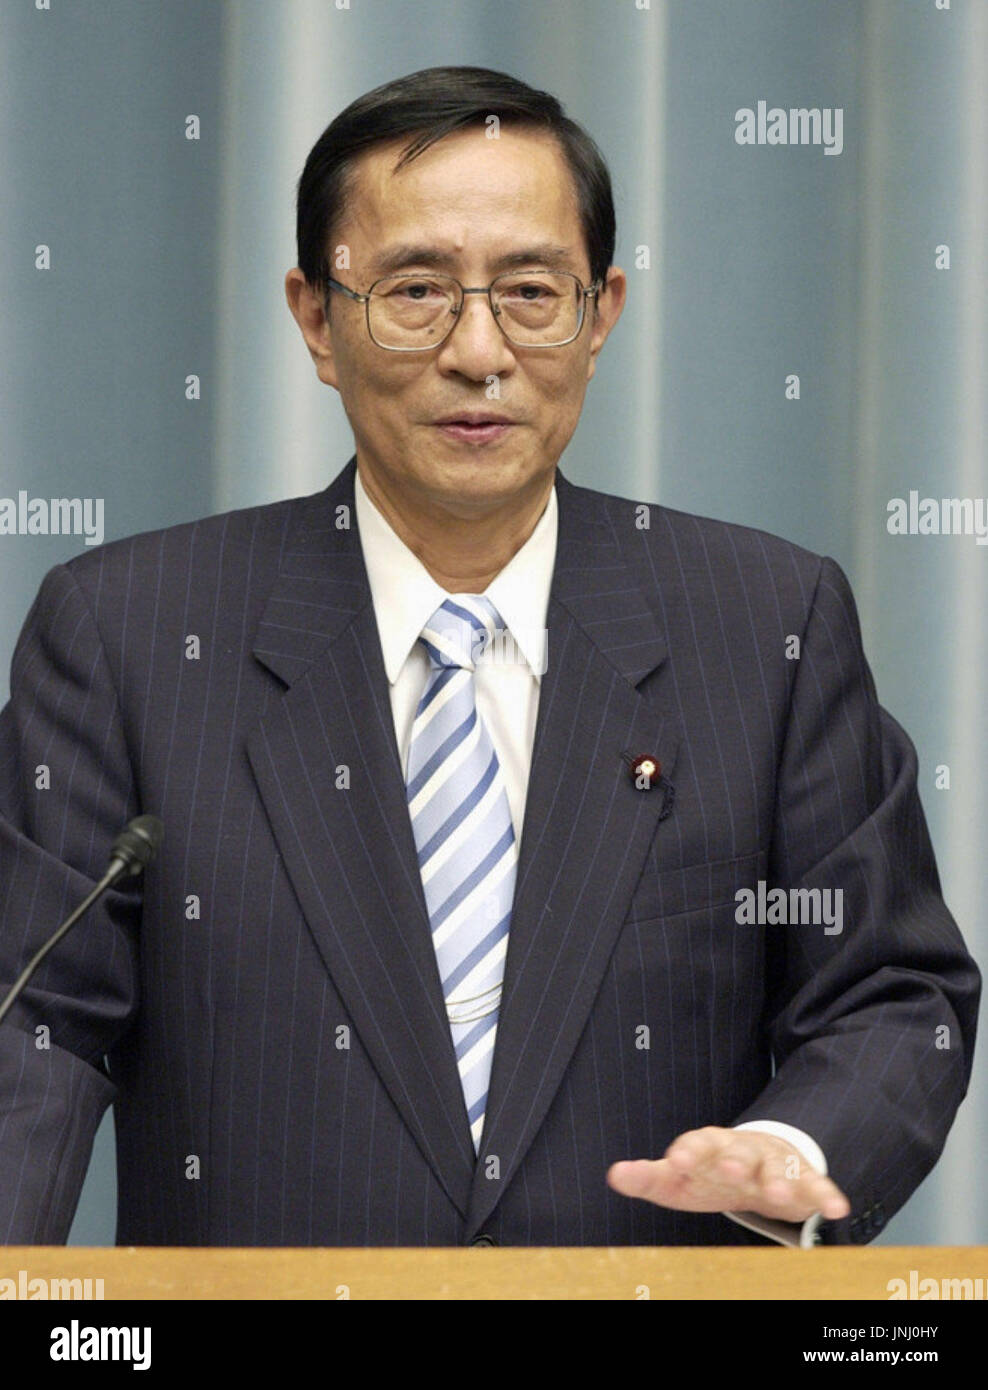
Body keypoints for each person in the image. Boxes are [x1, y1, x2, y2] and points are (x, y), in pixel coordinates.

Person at [0, 66, 978, 1249]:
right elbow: (32, 1025)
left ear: (602, 310)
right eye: (415, 290)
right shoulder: (129, 633)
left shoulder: (765, 624)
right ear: (316, 317)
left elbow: (891, 990)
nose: (479, 351)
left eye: (529, 291)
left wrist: (793, 1146)